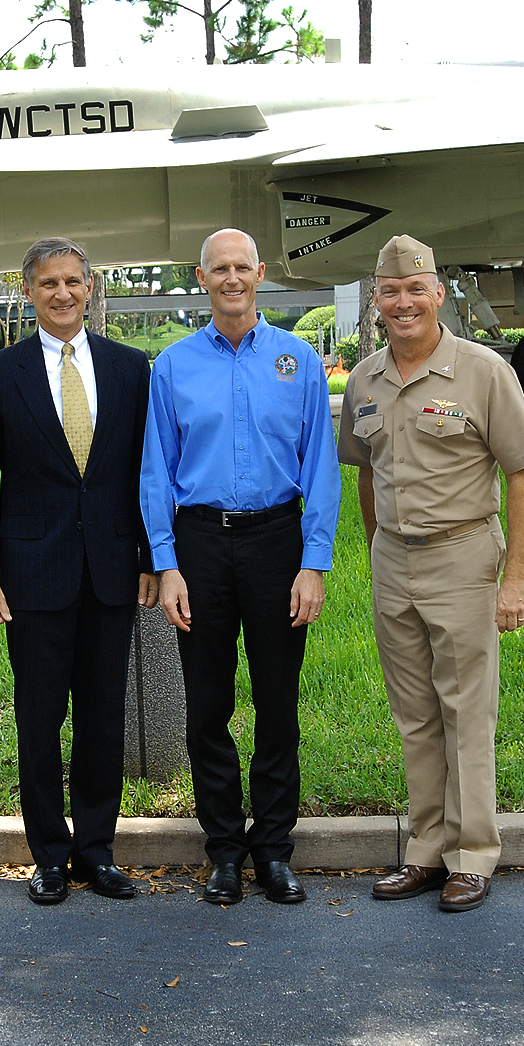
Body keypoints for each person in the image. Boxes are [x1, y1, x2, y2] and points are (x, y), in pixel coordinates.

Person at [336, 235, 524, 913]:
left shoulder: (482, 371)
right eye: (390, 291)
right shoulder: (365, 379)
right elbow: (367, 474)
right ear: (377, 300)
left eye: (415, 290)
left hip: (463, 555)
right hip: (393, 560)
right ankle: (426, 850)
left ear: (437, 295)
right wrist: (376, 551)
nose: (403, 303)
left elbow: (523, 476)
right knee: (415, 717)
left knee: (466, 714)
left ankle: (473, 855)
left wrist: (515, 579)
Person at [139, 228, 341, 906]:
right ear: (202, 278)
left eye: (241, 268)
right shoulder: (170, 367)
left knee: (278, 703)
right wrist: (166, 565)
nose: (231, 279)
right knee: (208, 707)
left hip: (279, 541)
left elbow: (321, 467)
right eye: (218, 269)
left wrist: (314, 562)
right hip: (199, 546)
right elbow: (154, 474)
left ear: (260, 274)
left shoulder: (299, 360)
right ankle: (224, 850)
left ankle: (274, 851)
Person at [0, 237, 158, 906]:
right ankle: (48, 854)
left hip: (111, 571)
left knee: (104, 717)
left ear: (92, 285)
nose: (64, 293)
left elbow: (146, 475)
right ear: (29, 291)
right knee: (39, 720)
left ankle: (96, 851)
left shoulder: (133, 370)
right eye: (49, 283)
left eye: (74, 281)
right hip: (30, 575)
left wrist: (154, 560)